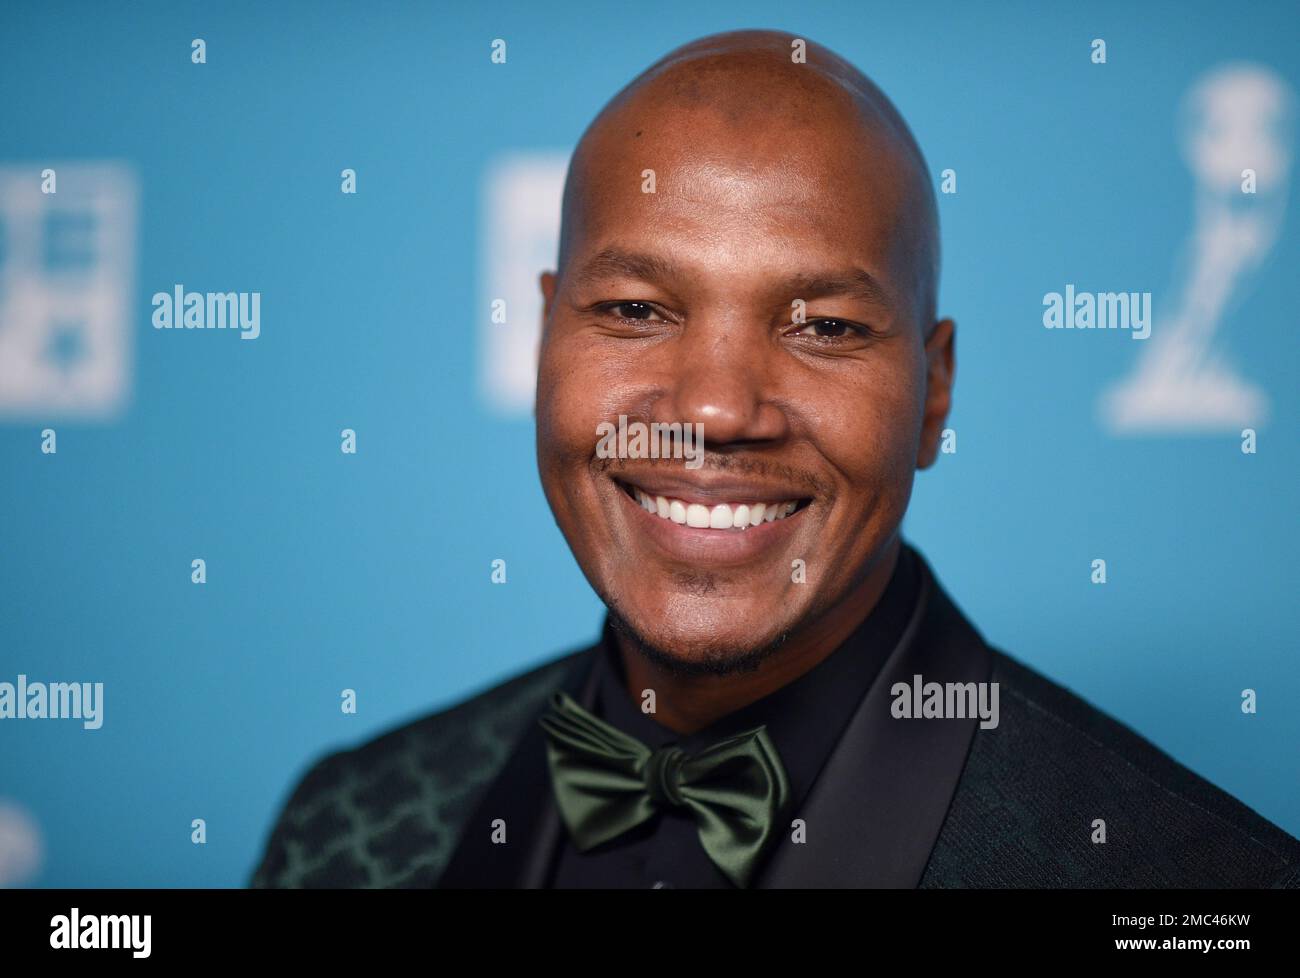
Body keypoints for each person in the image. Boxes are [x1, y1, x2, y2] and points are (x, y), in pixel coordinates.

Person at [250, 29, 1300, 889]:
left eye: (824, 328)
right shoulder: (348, 825)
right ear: (540, 341)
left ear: (934, 394)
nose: (714, 407)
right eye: (632, 309)